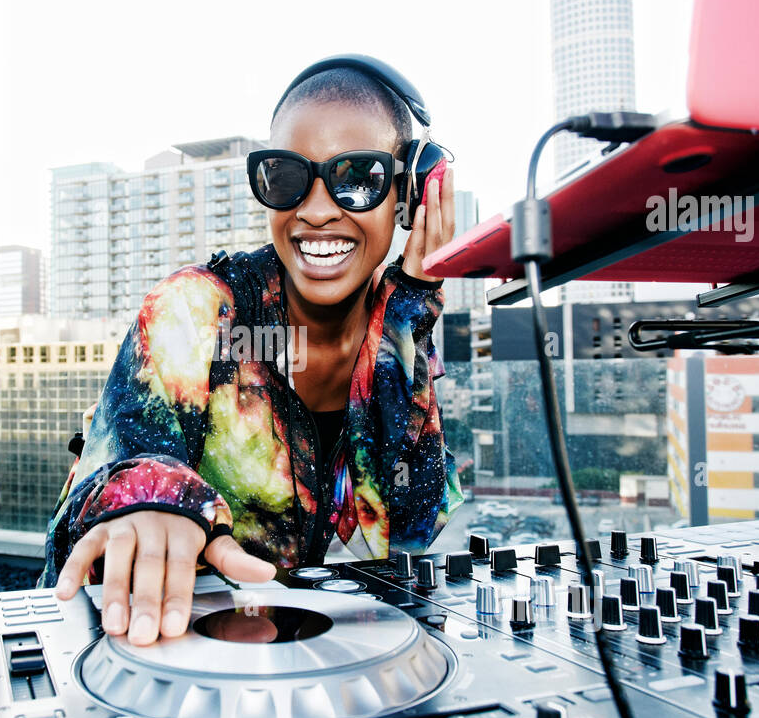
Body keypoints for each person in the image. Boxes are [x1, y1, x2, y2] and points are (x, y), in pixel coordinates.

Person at [42, 60, 464, 646]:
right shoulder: (196, 311)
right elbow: (108, 483)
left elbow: (408, 527)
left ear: (411, 193)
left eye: (358, 178)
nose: (316, 210)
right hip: (153, 657)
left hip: (312, 664)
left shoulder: (395, 320)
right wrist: (151, 498)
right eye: (287, 176)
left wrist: (410, 305)